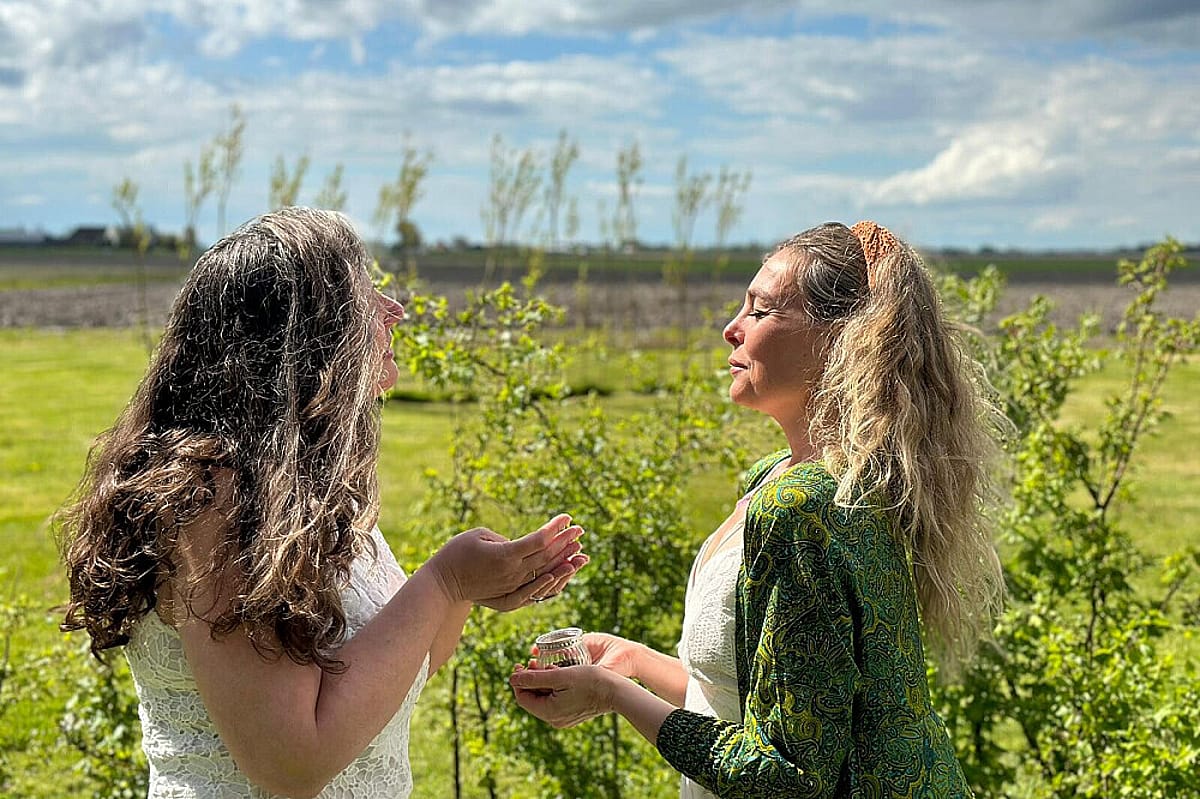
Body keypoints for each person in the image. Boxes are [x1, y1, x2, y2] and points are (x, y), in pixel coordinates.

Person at [58, 207, 588, 799]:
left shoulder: (303, 491)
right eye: (366, 293)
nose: (394, 311)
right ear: (307, 336)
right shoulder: (216, 499)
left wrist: (469, 590)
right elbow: (292, 763)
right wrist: (441, 583)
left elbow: (378, 680)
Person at [509, 220, 1007, 797]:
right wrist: (633, 662)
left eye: (761, 310)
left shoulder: (802, 508)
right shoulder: (798, 478)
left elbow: (785, 777)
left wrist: (613, 695)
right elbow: (760, 702)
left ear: (840, 337)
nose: (730, 329)